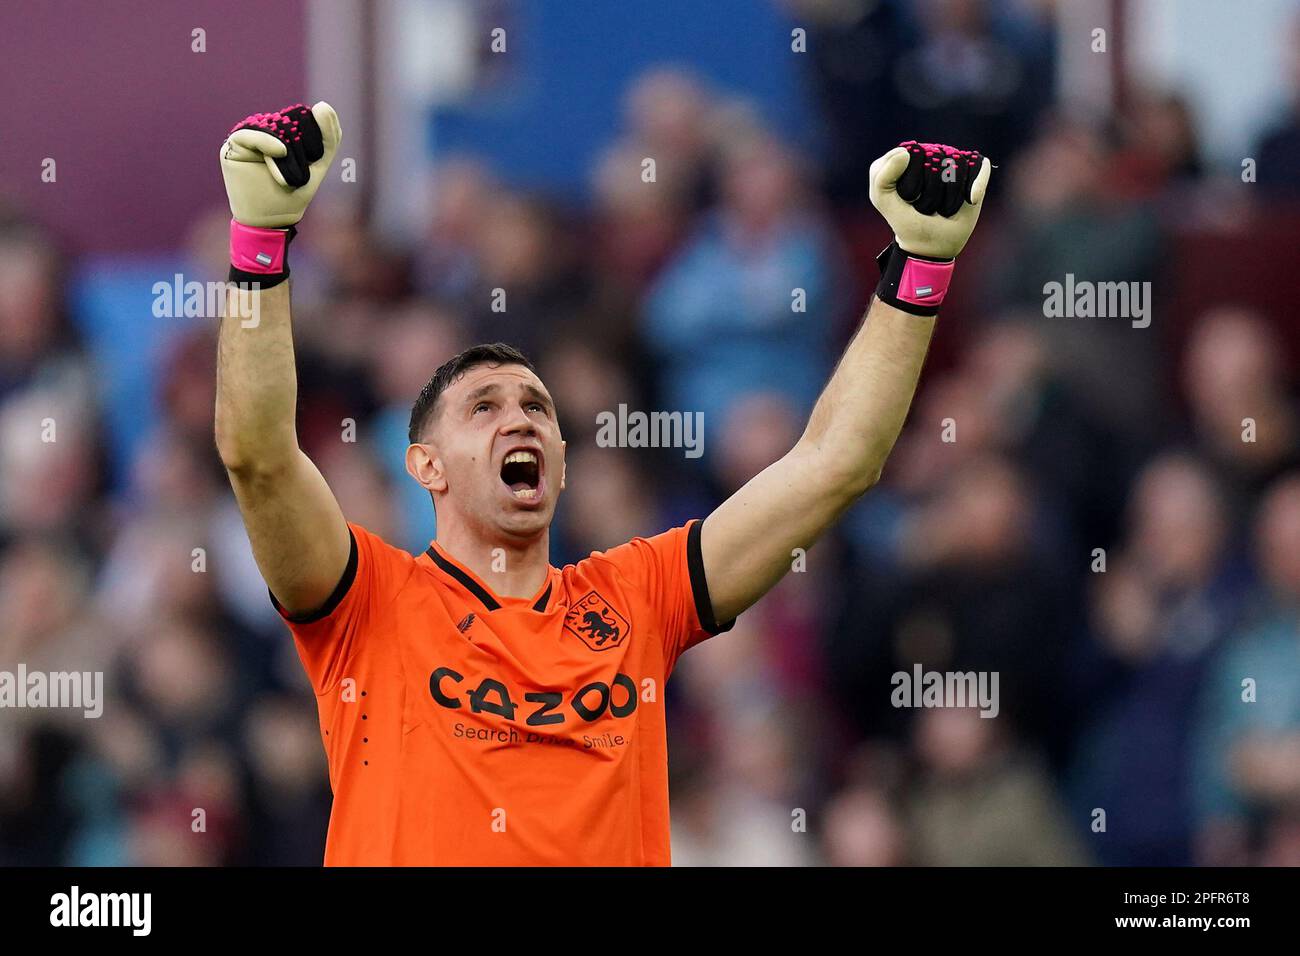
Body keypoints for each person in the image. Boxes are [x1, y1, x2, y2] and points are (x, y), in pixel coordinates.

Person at [215, 107, 992, 865]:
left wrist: (919, 267)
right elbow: (258, 455)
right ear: (425, 466)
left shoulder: (637, 597)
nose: (518, 420)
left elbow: (836, 463)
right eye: (482, 408)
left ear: (560, 460)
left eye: (536, 408)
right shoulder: (367, 605)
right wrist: (259, 243)